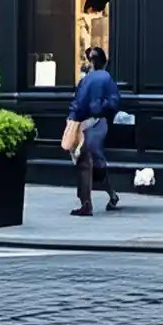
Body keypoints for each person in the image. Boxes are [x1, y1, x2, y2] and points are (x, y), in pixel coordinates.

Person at [68, 46, 121, 216]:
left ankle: (87, 202)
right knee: (93, 160)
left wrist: (72, 121)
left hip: (85, 123)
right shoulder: (106, 78)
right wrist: (100, 107)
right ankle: (103, 197)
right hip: (98, 122)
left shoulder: (85, 80)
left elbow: (76, 104)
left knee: (87, 161)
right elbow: (114, 102)